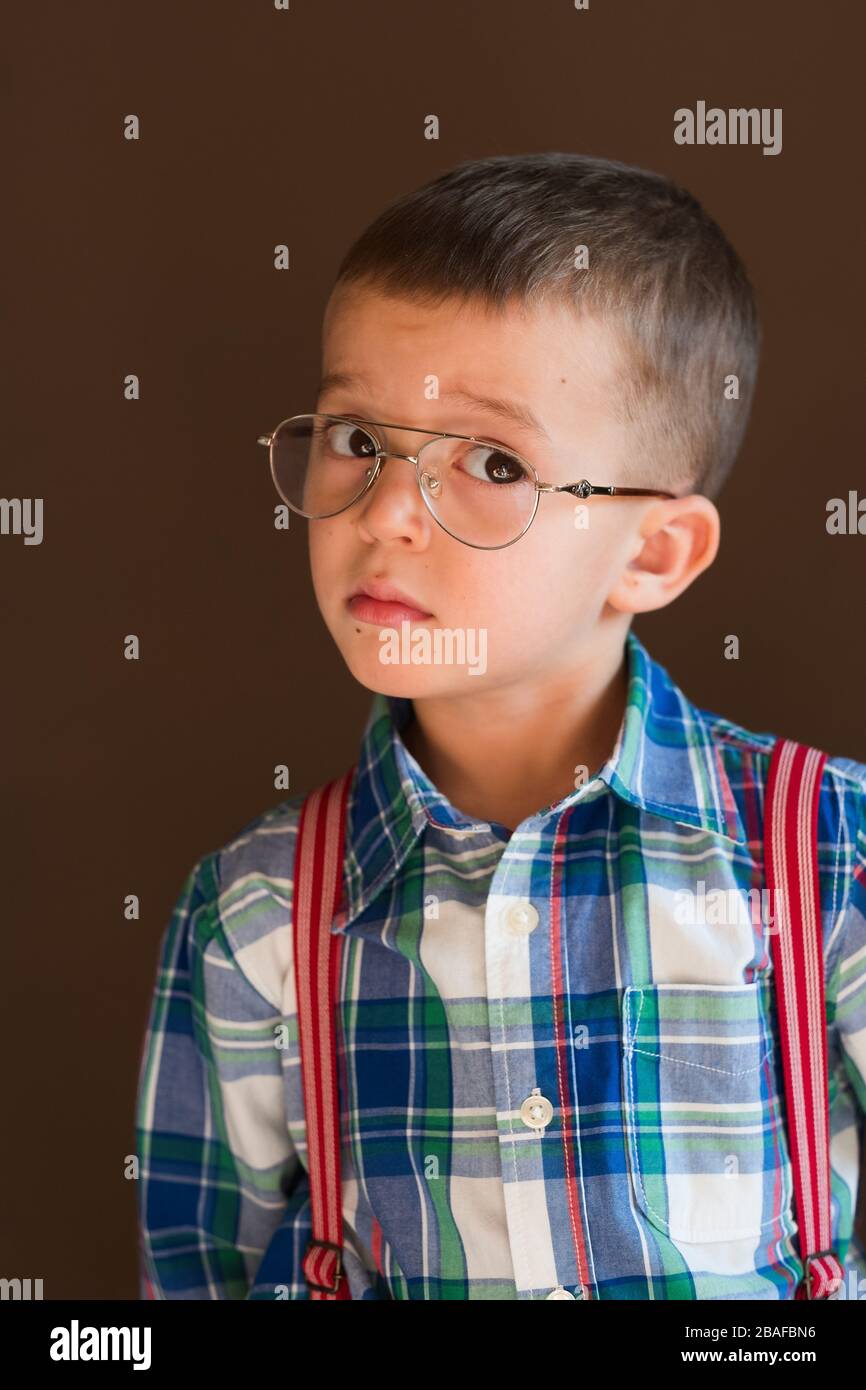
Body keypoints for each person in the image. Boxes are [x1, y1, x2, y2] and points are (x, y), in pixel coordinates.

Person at [134, 151, 866, 1300]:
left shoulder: (828, 857)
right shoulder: (254, 911)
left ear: (651, 552)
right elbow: (195, 1277)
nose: (384, 512)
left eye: (489, 461)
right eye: (356, 438)